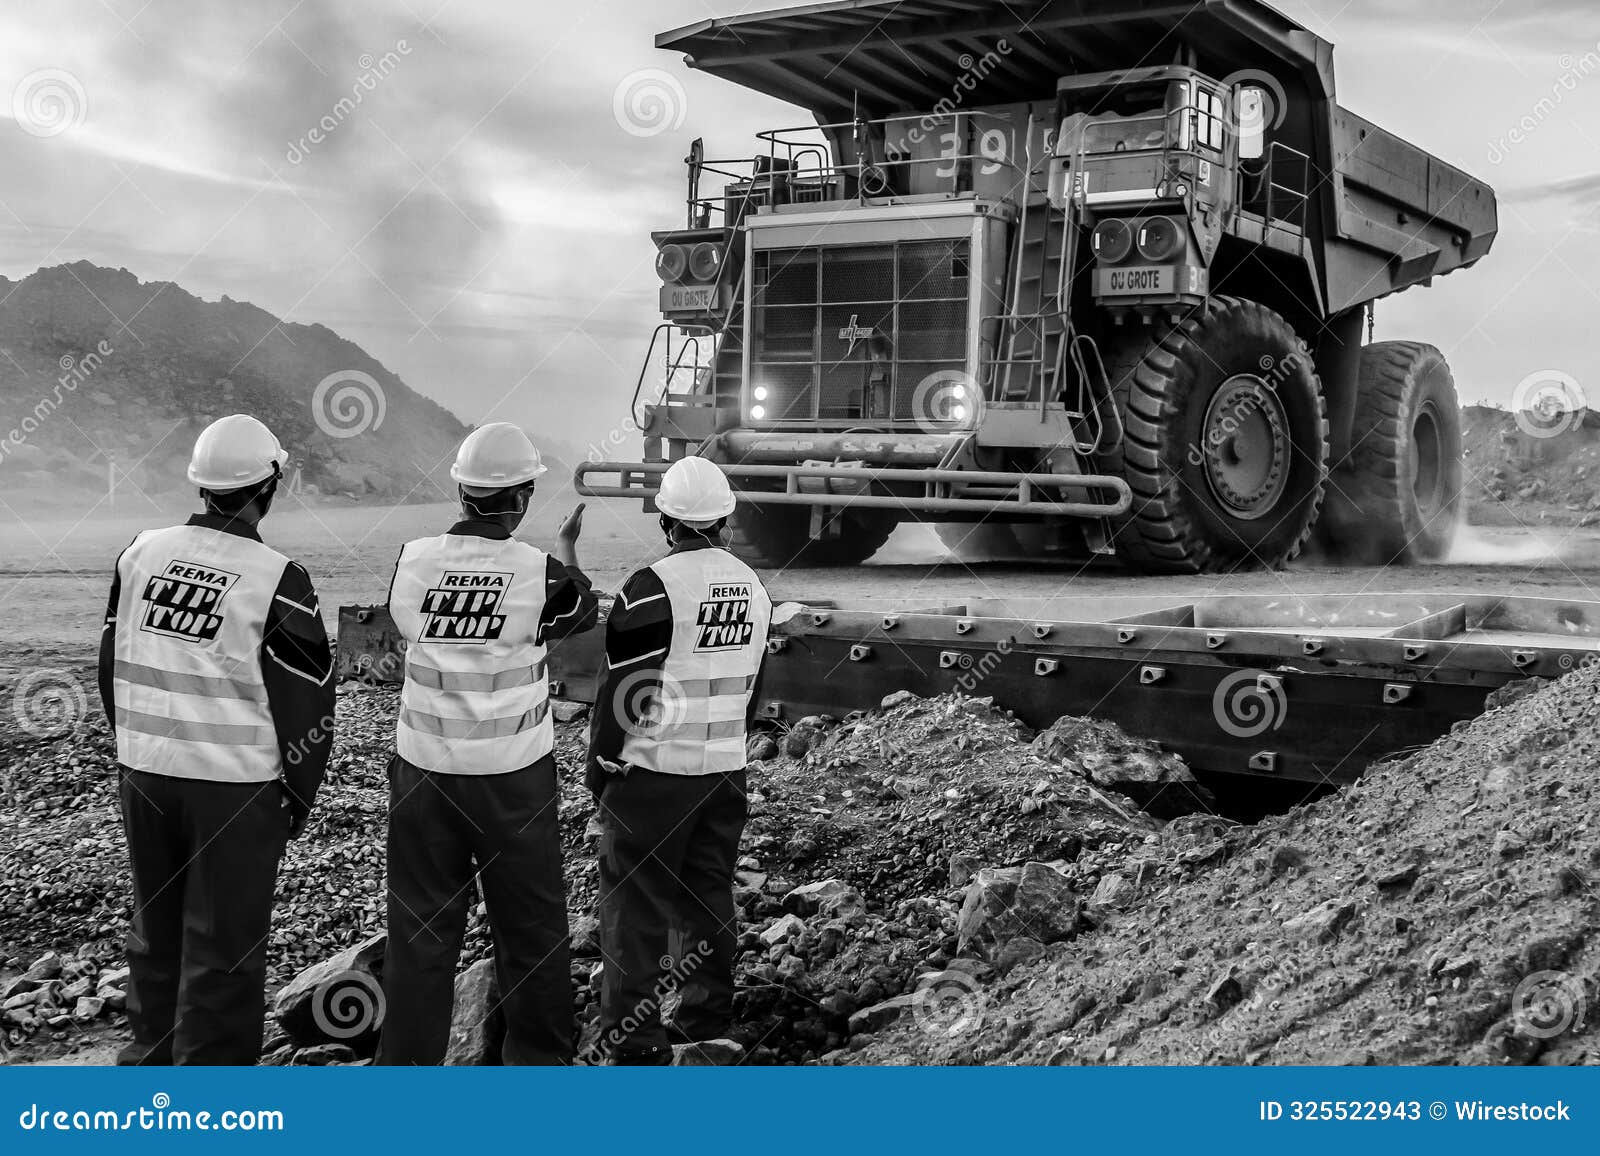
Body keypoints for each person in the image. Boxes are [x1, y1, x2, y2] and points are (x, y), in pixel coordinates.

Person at [98, 414, 334, 1066]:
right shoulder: (278, 578)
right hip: (234, 791)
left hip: (144, 775)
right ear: (270, 485)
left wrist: (135, 749)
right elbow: (307, 702)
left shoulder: (140, 553)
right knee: (223, 952)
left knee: (155, 934)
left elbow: (110, 662)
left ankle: (148, 1079)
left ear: (201, 484)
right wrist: (298, 795)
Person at [377, 422, 598, 1066]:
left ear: (462, 491)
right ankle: (536, 1067)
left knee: (419, 931)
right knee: (530, 927)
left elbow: (406, 621)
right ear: (522, 496)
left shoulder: (412, 561)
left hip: (423, 773)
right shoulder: (539, 574)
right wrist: (566, 550)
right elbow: (580, 611)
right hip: (512, 780)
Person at [587, 456, 772, 1064]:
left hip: (653, 776)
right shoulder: (755, 587)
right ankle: (704, 1020)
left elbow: (622, 690)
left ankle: (634, 1042)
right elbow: (753, 685)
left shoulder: (650, 587)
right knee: (708, 896)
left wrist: (600, 764)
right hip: (723, 773)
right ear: (725, 520)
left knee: (635, 908)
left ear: (665, 520)